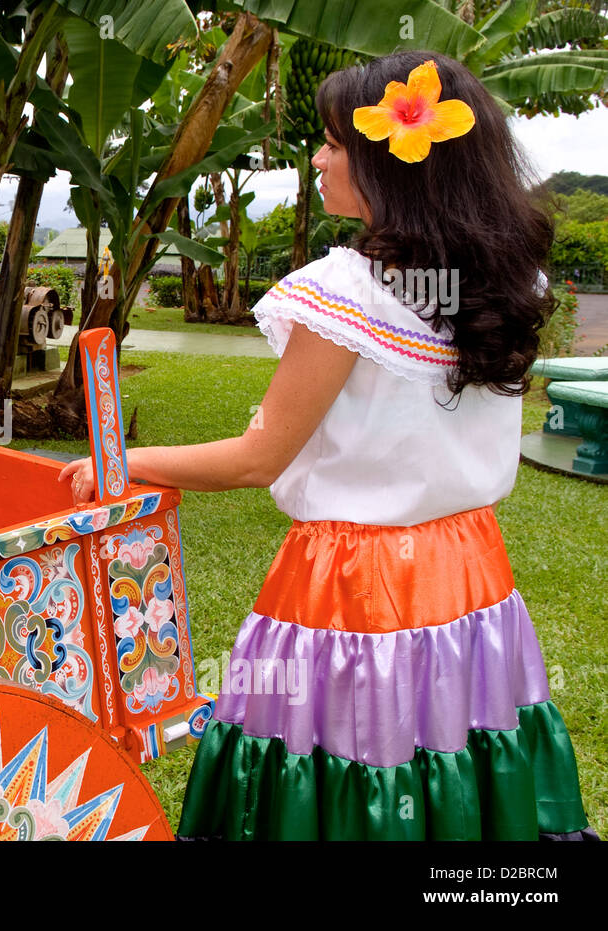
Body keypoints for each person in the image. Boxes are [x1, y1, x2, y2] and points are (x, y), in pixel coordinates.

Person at [59, 51, 597, 840]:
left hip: (354, 584)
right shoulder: (508, 277)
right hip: (472, 570)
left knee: (352, 762)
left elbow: (258, 458)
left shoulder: (345, 293)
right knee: (454, 746)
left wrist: (124, 461)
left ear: (393, 163)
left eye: (334, 144)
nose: (316, 157)